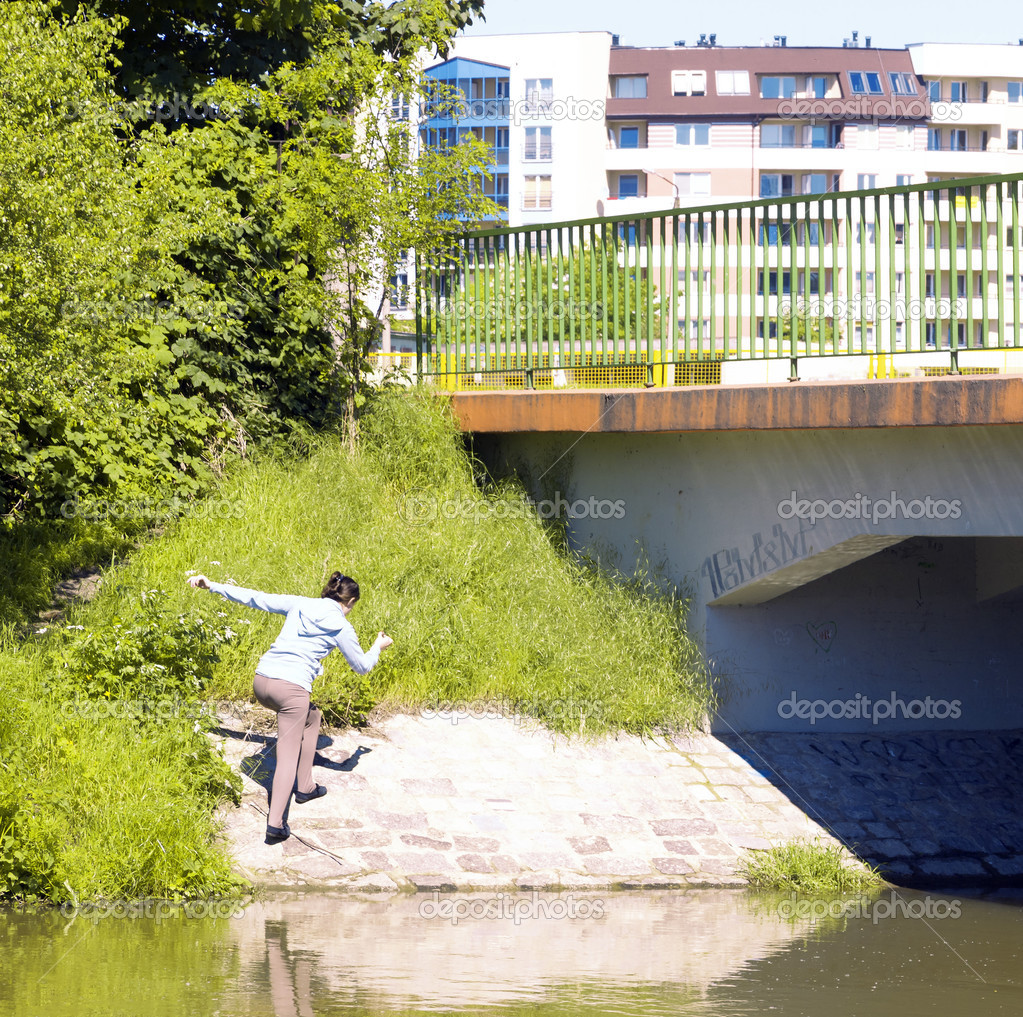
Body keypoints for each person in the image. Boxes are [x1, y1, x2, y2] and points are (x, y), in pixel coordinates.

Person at [188, 570, 393, 842]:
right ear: (351, 602)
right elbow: (362, 666)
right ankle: (275, 827)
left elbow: (256, 598)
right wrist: (378, 646)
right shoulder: (342, 627)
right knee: (286, 758)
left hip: (262, 682)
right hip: (291, 691)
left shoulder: (300, 603)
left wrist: (211, 585)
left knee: (313, 716)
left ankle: (306, 787)